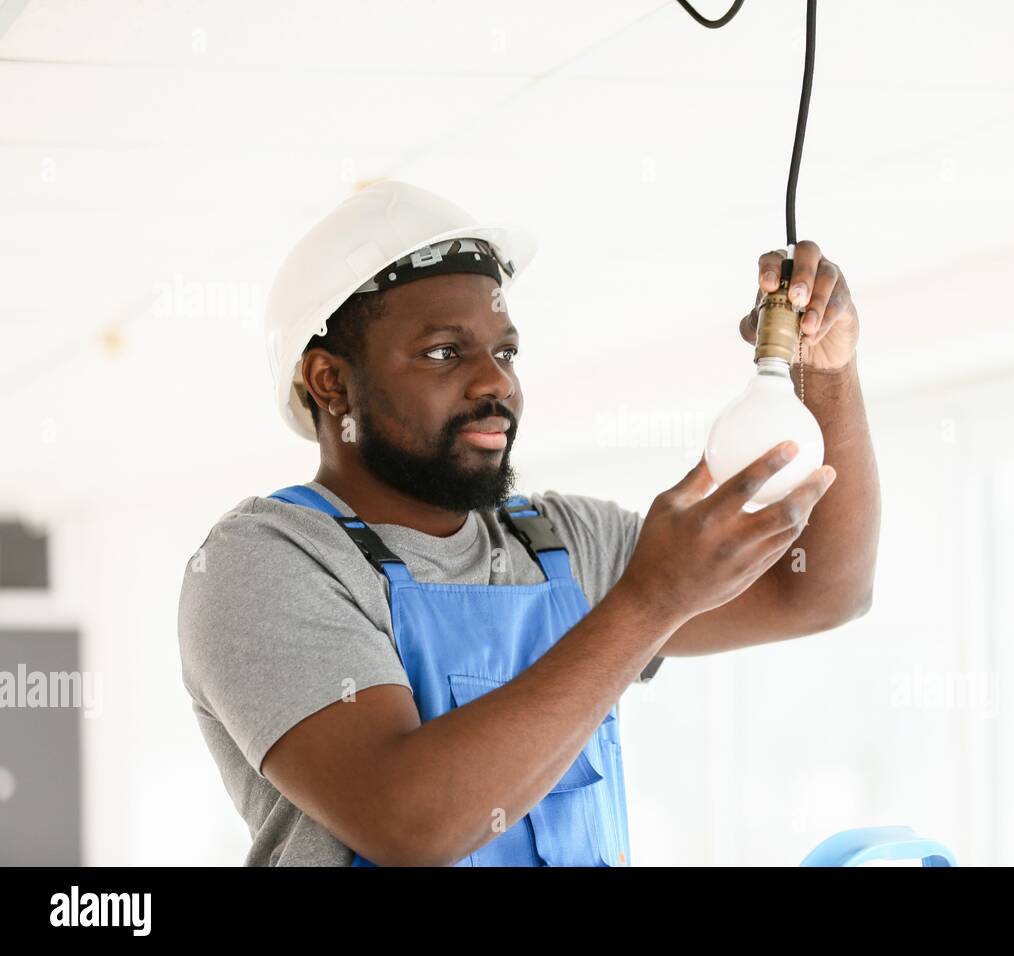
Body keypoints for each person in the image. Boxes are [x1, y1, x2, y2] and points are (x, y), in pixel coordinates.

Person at [177, 180, 879, 866]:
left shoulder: (561, 545)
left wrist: (830, 371)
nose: (496, 383)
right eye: (445, 352)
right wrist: (649, 601)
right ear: (331, 382)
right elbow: (408, 824)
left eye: (505, 351)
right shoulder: (268, 562)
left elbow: (817, 592)